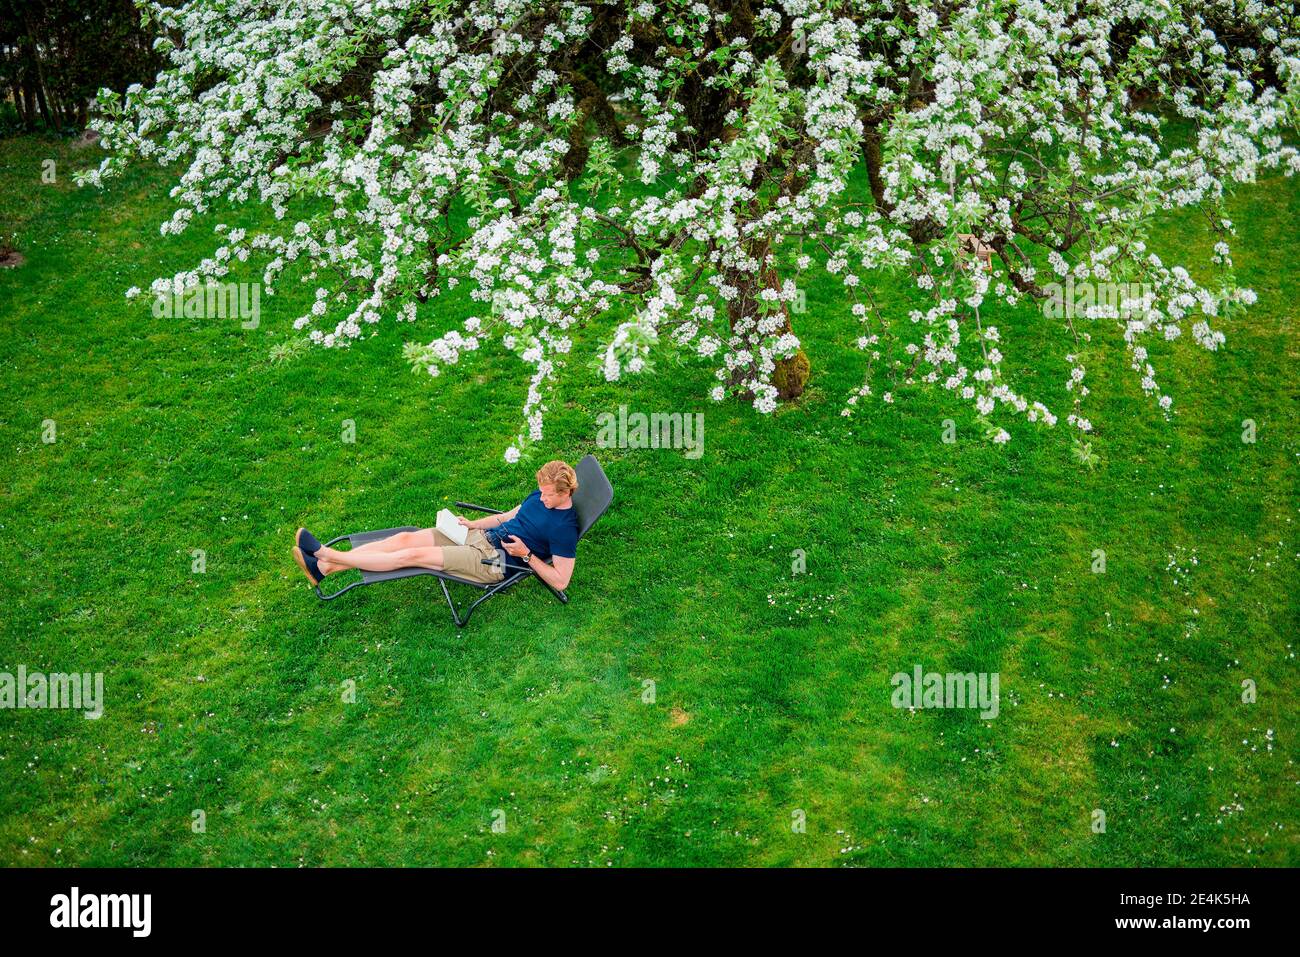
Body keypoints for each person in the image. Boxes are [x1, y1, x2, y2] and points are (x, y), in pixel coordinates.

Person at [292, 460, 580, 592]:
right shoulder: (541, 497)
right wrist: (472, 523)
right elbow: (507, 515)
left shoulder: (564, 528)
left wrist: (527, 555)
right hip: (480, 535)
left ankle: (329, 556)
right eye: (540, 491)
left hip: (496, 561)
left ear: (565, 493)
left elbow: (560, 581)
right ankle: (323, 568)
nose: (541, 497)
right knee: (405, 539)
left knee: (412, 557)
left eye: (547, 494)